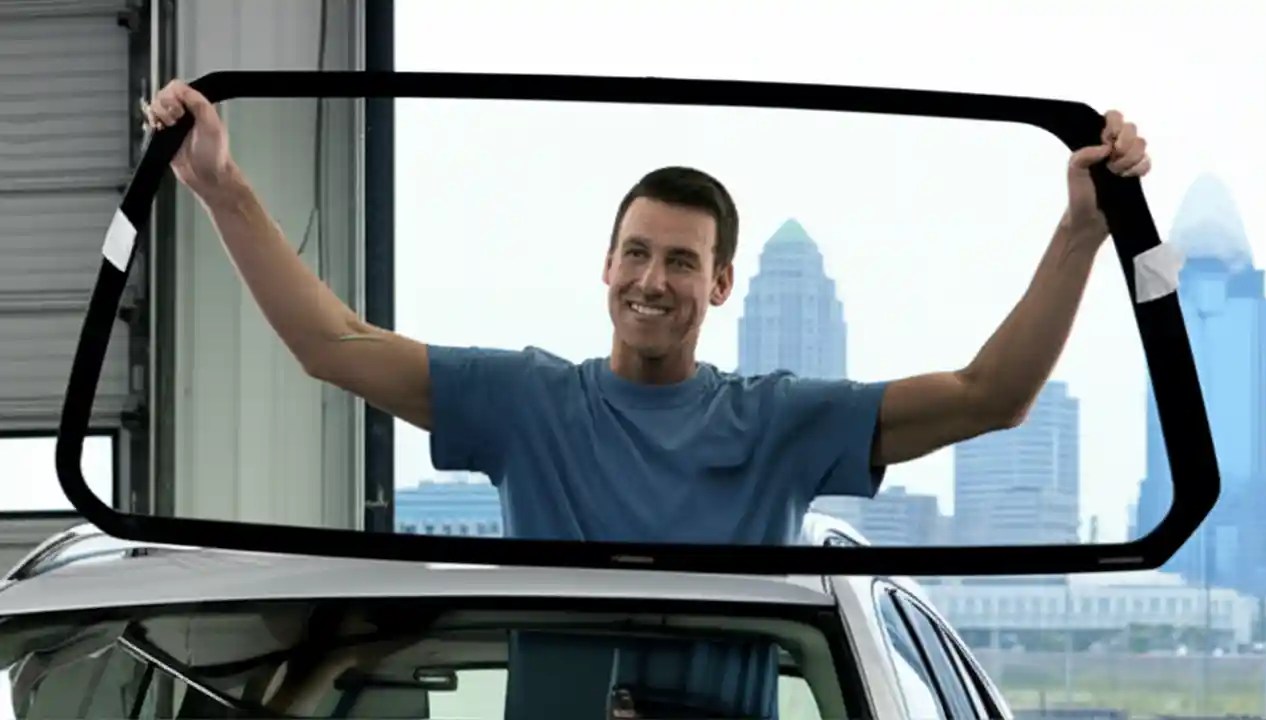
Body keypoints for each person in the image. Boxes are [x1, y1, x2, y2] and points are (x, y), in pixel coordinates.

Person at [145, 79, 1150, 718]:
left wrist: (1079, 234)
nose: (651, 280)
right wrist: (219, 188)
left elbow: (992, 395)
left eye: (680, 260)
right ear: (604, 264)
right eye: (635, 252)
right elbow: (332, 345)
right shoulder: (524, 403)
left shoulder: (778, 422)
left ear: (718, 285)